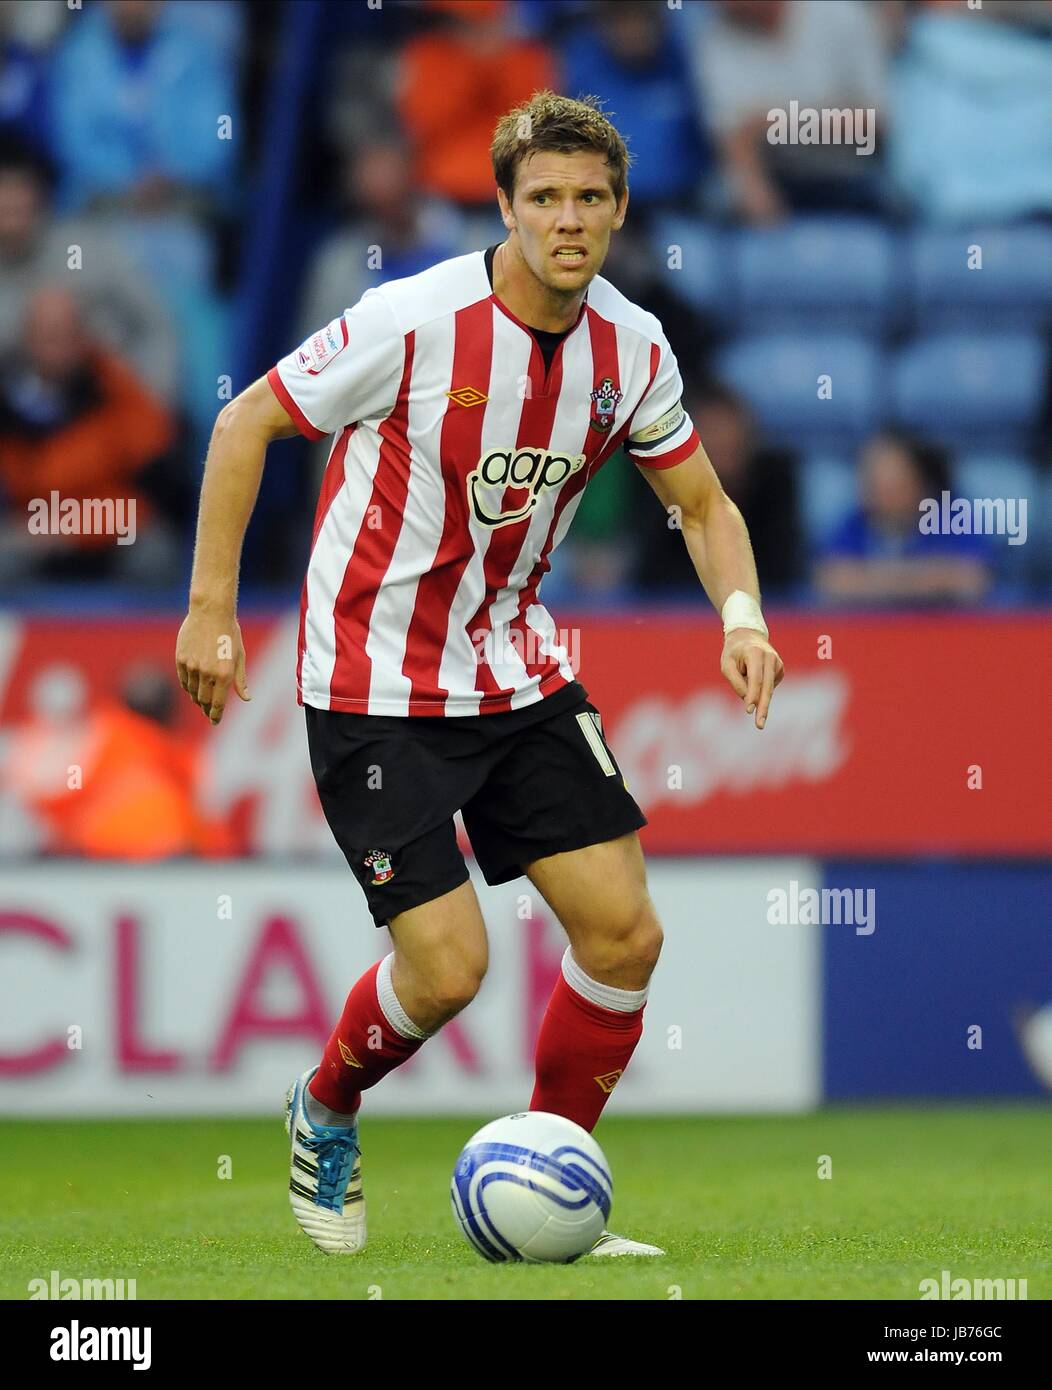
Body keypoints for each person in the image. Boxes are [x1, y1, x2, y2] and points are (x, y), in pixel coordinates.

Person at [175, 91, 784, 1258]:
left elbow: (701, 504)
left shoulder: (631, 347)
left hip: (515, 667)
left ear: (616, 211)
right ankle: (325, 1106)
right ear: (502, 206)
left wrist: (742, 615)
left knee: (623, 936)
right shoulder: (408, 319)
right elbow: (243, 424)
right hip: (368, 682)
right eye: (543, 197)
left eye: (590, 199)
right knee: (450, 970)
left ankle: (549, 1174)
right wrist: (210, 610)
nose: (568, 220)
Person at [813, 429, 990, 604]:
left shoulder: (952, 515)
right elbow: (831, 579)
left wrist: (874, 578)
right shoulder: (855, 521)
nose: (877, 494)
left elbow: (973, 579)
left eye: (892, 483)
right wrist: (923, 577)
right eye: (872, 482)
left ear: (921, 482)